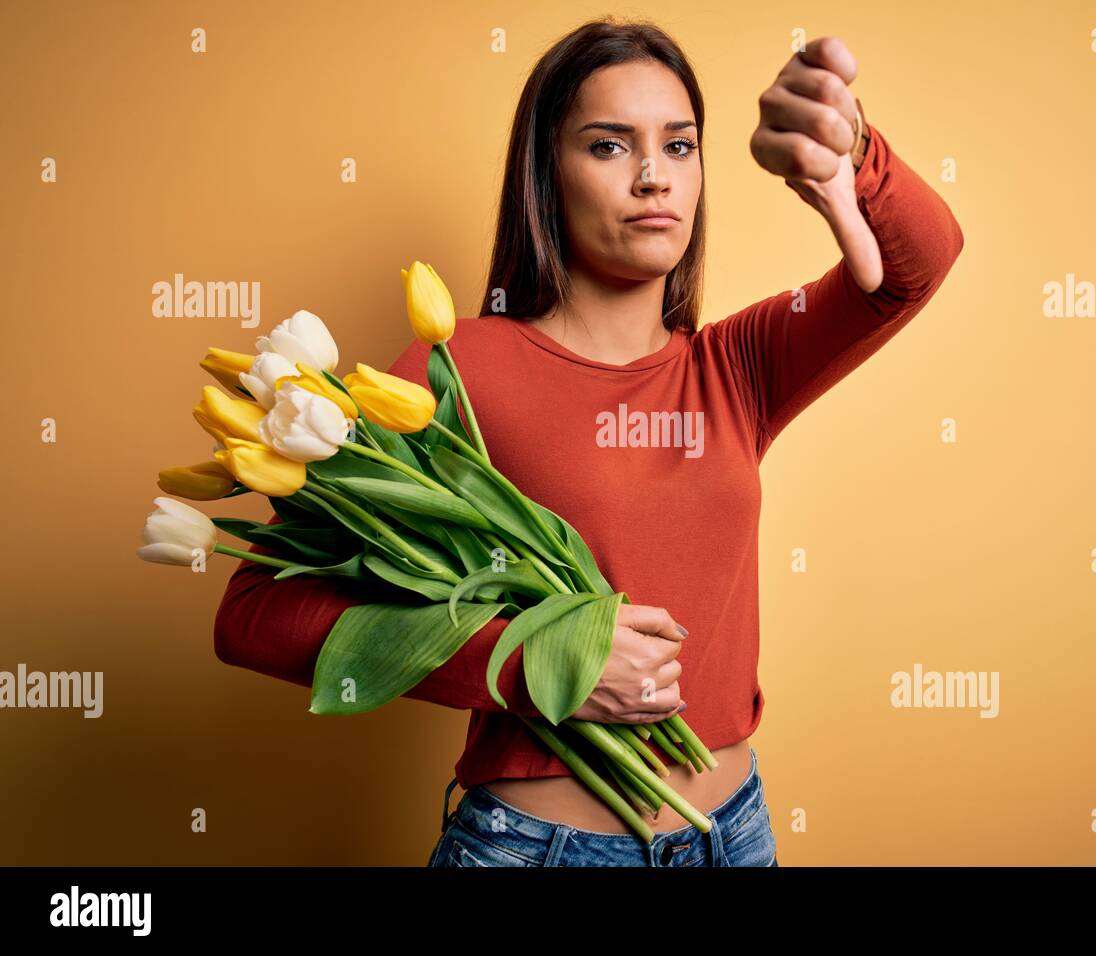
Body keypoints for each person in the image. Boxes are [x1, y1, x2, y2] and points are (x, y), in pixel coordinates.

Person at [213, 16, 964, 867]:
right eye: (610, 147)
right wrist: (542, 660)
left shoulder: (738, 366)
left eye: (679, 146)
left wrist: (847, 147)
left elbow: (918, 264)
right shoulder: (453, 370)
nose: (654, 178)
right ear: (547, 176)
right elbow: (253, 616)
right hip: (538, 850)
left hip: (735, 836)